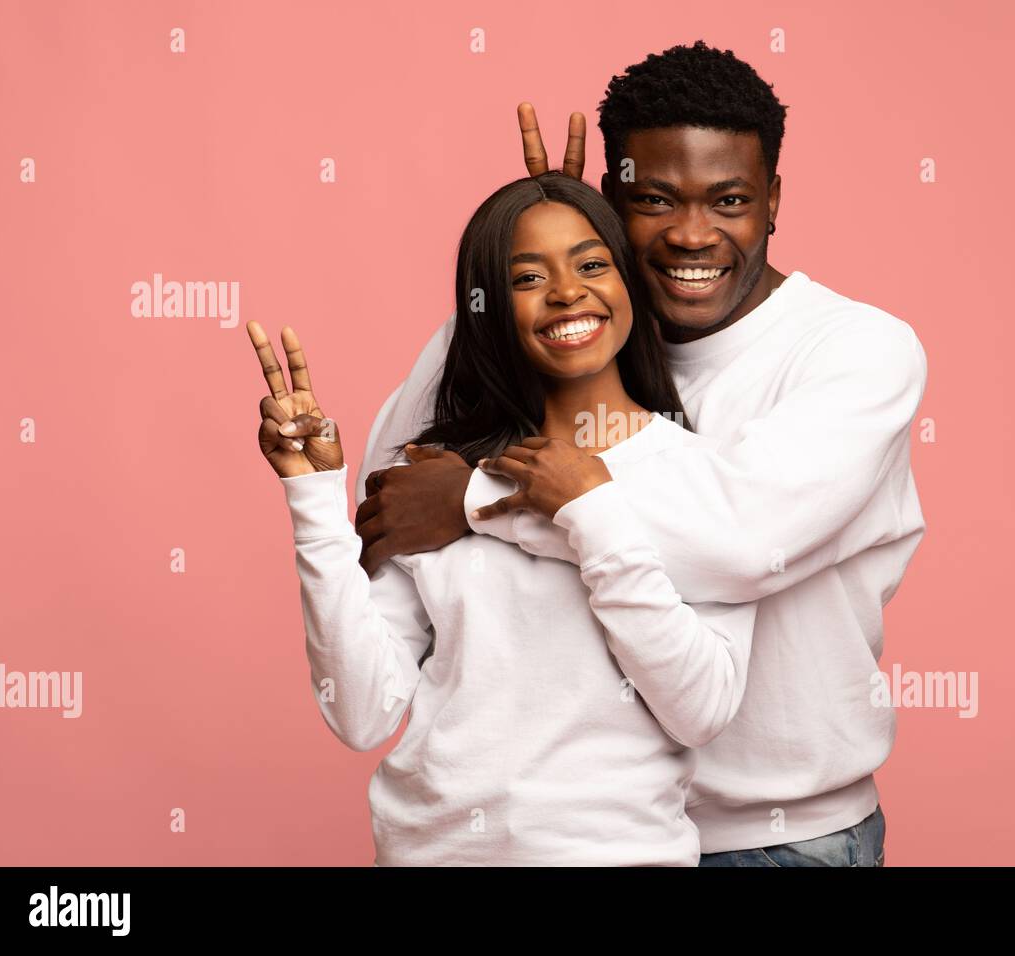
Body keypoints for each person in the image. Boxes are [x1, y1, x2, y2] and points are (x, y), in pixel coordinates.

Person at [355, 41, 927, 866]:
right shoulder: (586, 333)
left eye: (728, 200)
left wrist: (478, 501)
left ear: (772, 200)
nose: (694, 235)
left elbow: (738, 543)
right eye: (654, 200)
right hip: (584, 837)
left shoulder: (857, 350)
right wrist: (517, 270)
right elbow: (398, 492)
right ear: (614, 206)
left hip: (780, 838)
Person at [247, 172, 756, 866]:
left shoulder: (699, 476)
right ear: (486, 308)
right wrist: (313, 500)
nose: (567, 291)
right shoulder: (436, 480)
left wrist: (589, 510)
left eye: (591, 264)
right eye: (526, 277)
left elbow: (701, 709)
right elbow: (361, 714)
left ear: (628, 283)